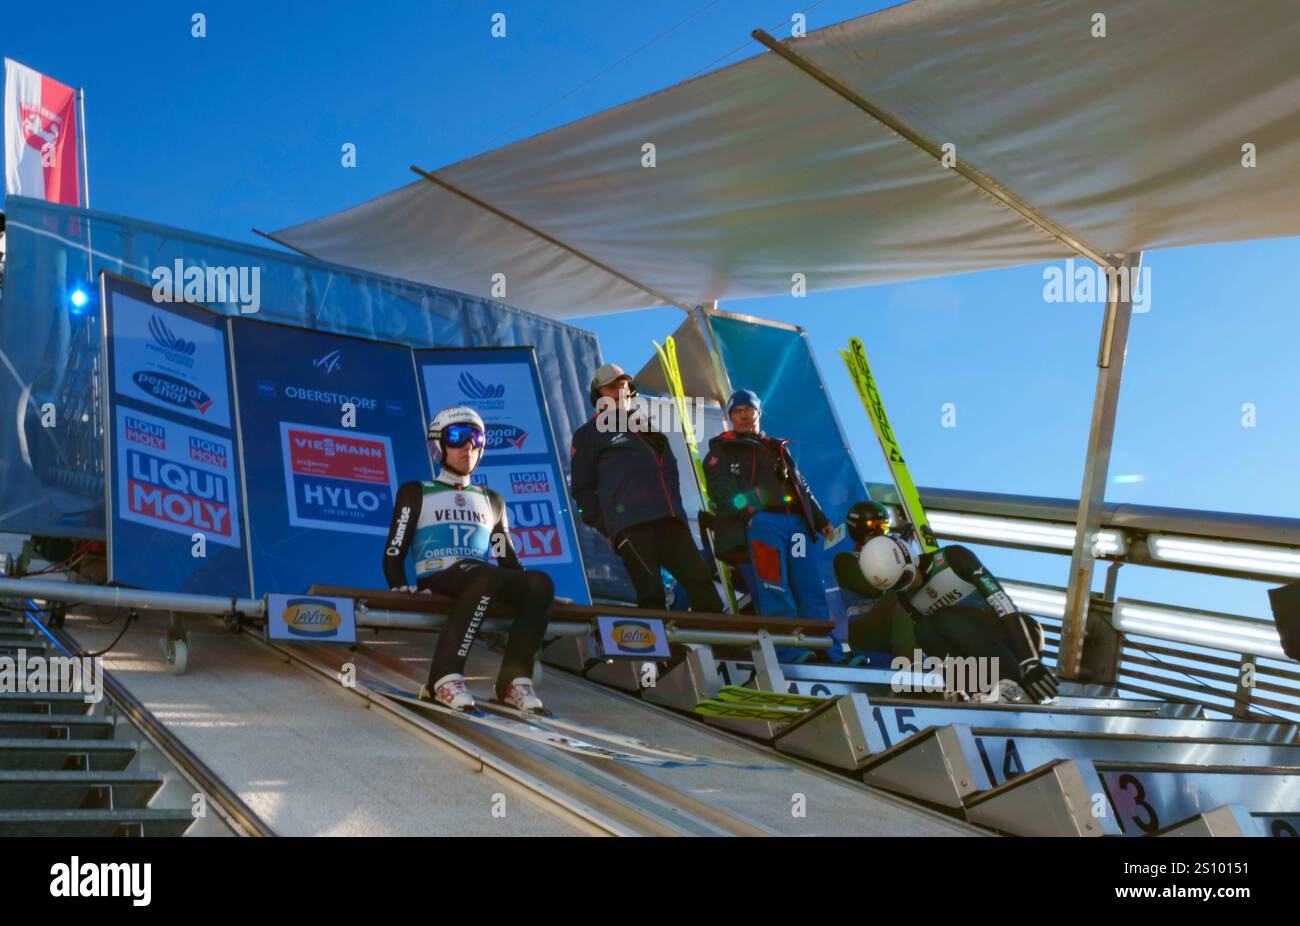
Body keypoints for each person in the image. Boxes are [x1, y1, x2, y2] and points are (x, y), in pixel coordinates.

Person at [382, 405, 554, 713]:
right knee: (484, 575)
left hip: (482, 579)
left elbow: (506, 558)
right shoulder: (416, 491)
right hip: (441, 576)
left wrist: (532, 589)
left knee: (540, 583)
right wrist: (398, 584)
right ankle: (443, 679)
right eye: (458, 437)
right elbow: (394, 551)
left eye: (476, 438)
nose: (468, 447)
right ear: (438, 444)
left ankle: (513, 682)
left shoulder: (493, 500)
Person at [570, 363, 725, 613]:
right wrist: (609, 527)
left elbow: (670, 476)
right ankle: (664, 653)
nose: (620, 390)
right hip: (631, 528)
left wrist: (678, 514)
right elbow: (582, 490)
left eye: (624, 385)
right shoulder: (588, 434)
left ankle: (728, 650)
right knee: (651, 596)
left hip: (671, 522)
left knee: (703, 588)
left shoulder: (650, 430)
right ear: (598, 395)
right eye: (612, 387)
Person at [854, 534, 1058, 702]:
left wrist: (1029, 660)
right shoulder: (907, 598)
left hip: (1017, 638)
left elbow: (1004, 604)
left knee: (943, 618)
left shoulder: (953, 558)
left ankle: (1011, 681)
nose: (908, 586)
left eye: (906, 577)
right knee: (923, 630)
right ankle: (979, 690)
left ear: (911, 557)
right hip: (982, 656)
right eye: (898, 586)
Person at [703, 389, 834, 621]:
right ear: (730, 417)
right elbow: (722, 492)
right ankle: (790, 653)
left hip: (797, 528)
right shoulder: (721, 449)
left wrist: (820, 519)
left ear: (758, 412)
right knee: (775, 589)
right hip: (763, 526)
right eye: (737, 411)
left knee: (810, 587)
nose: (743, 416)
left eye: (749, 410)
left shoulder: (778, 447)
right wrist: (751, 514)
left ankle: (829, 652)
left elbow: (800, 485)